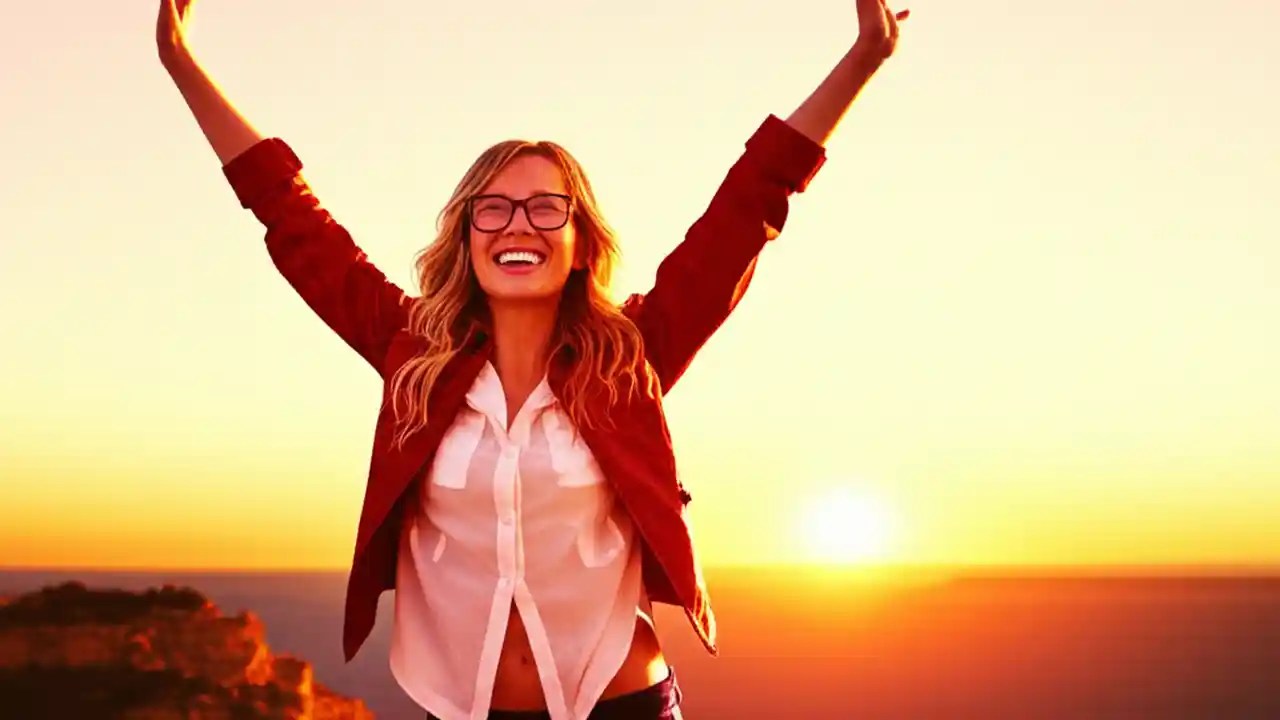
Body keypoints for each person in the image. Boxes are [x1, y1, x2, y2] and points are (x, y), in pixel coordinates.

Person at [156, 1, 908, 718]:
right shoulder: (409, 350)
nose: (520, 224)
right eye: (495, 206)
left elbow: (748, 208)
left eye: (547, 206)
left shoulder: (630, 359)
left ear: (581, 243)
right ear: (467, 234)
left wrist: (863, 59)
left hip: (625, 707)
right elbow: (289, 212)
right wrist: (181, 61)